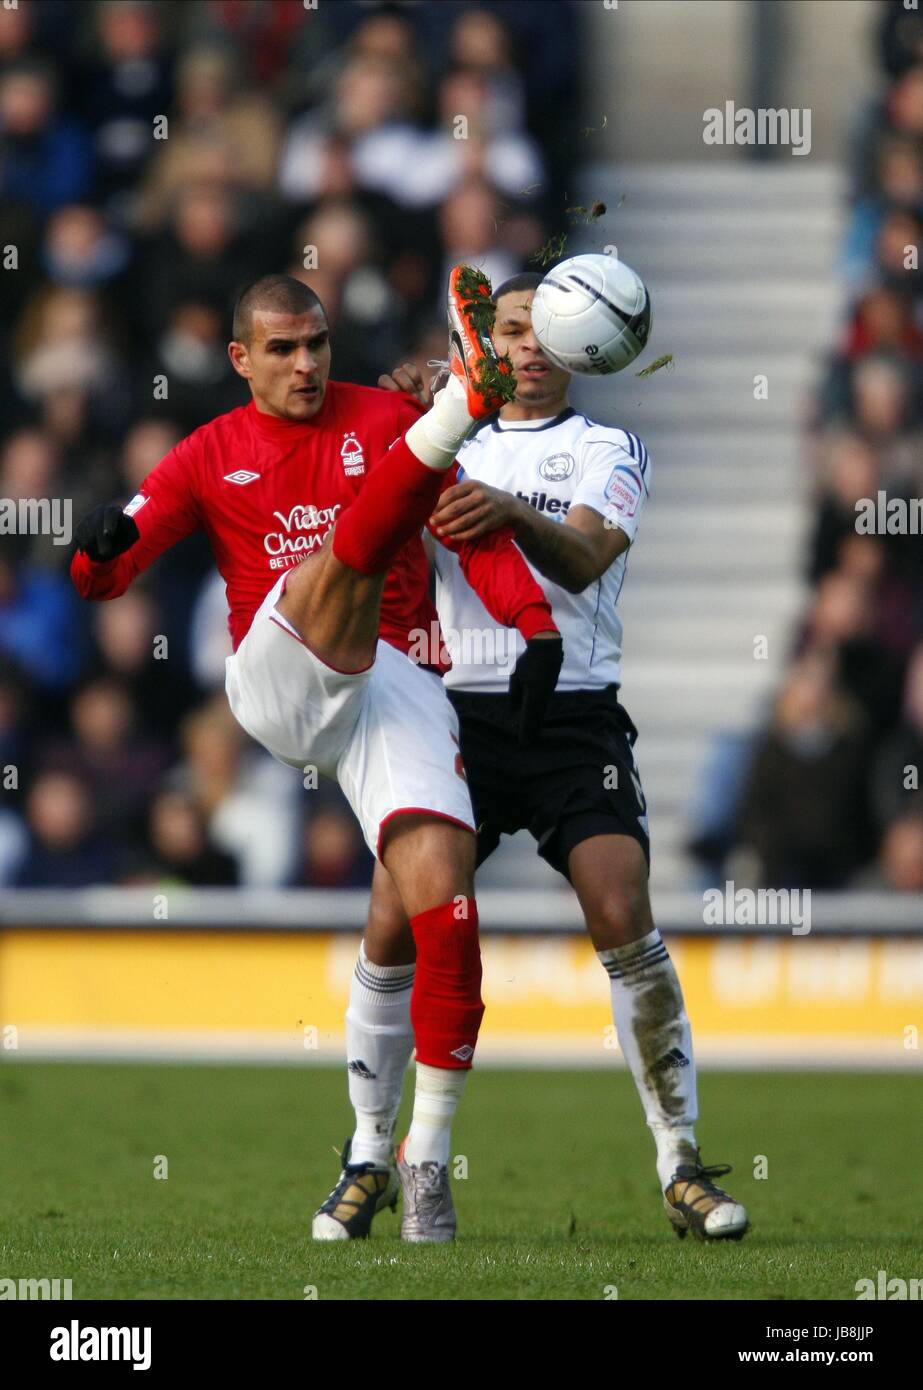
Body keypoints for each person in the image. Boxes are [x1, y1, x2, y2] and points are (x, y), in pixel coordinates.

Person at [71, 268, 564, 1243]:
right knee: (332, 565)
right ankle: (471, 398)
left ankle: (400, 1157)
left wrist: (536, 625)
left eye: (318, 344)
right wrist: (90, 551)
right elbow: (110, 571)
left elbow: (473, 538)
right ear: (239, 359)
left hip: (397, 684)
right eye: (283, 349)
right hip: (282, 674)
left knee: (440, 908)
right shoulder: (209, 453)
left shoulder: (382, 417)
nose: (305, 364)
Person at [316, 272, 749, 1244]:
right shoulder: (443, 424)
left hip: (569, 715)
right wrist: (409, 410)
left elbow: (585, 557)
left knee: (619, 908)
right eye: (510, 330)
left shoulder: (609, 449)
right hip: (447, 710)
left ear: (580, 349)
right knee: (392, 921)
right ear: (486, 342)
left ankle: (678, 1161)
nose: (529, 348)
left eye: (547, 333)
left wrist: (506, 512)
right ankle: (365, 1155)